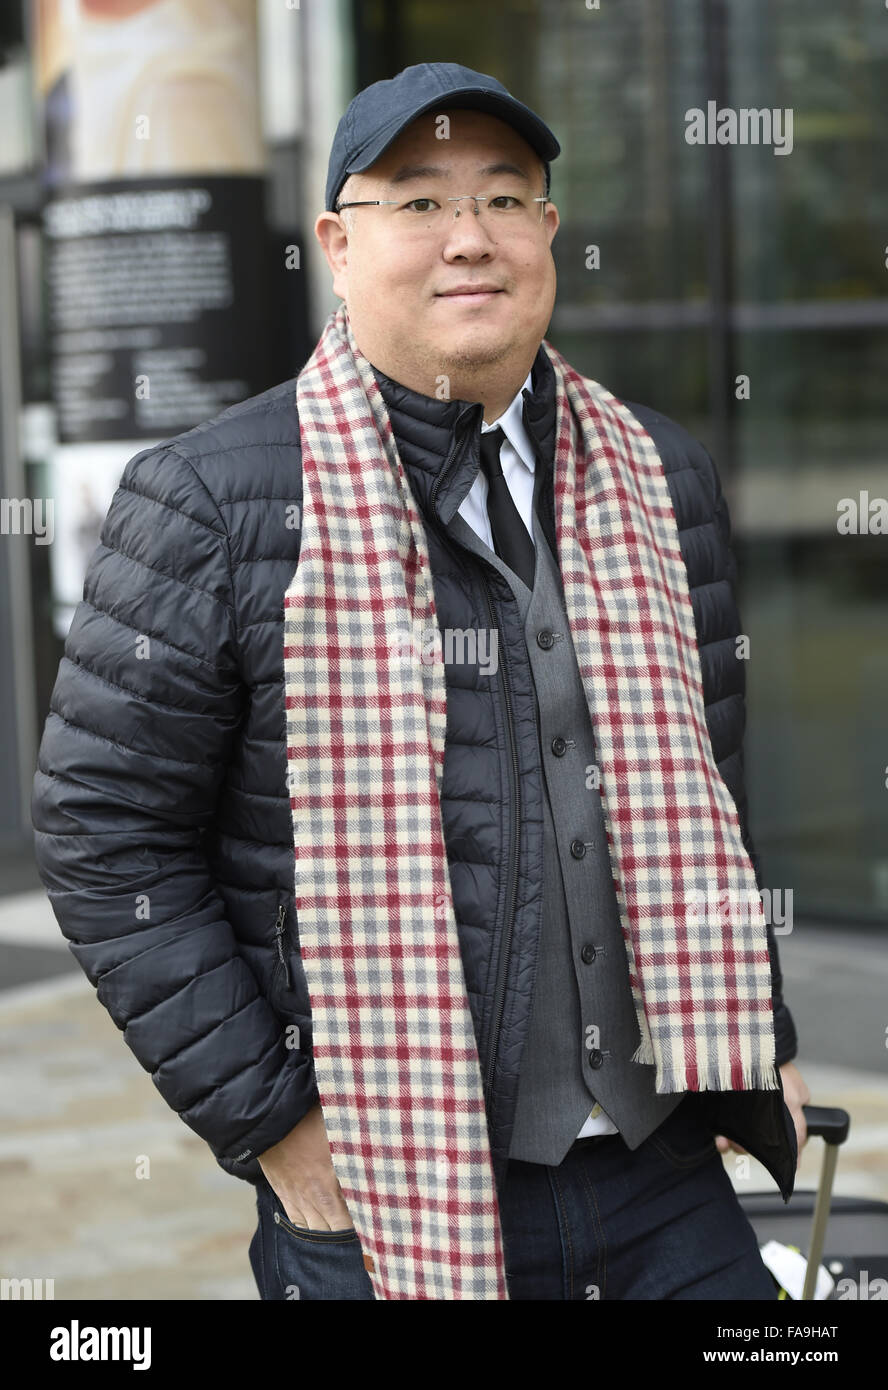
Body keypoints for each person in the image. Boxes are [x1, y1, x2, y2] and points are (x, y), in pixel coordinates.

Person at [31, 61, 810, 1301]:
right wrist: (272, 1122)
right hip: (389, 1189)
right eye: (418, 203)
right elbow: (102, 832)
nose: (471, 239)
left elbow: (705, 786)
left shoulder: (660, 474)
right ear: (338, 243)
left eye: (506, 200)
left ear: (549, 234)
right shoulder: (211, 500)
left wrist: (750, 1035)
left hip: (665, 1172)